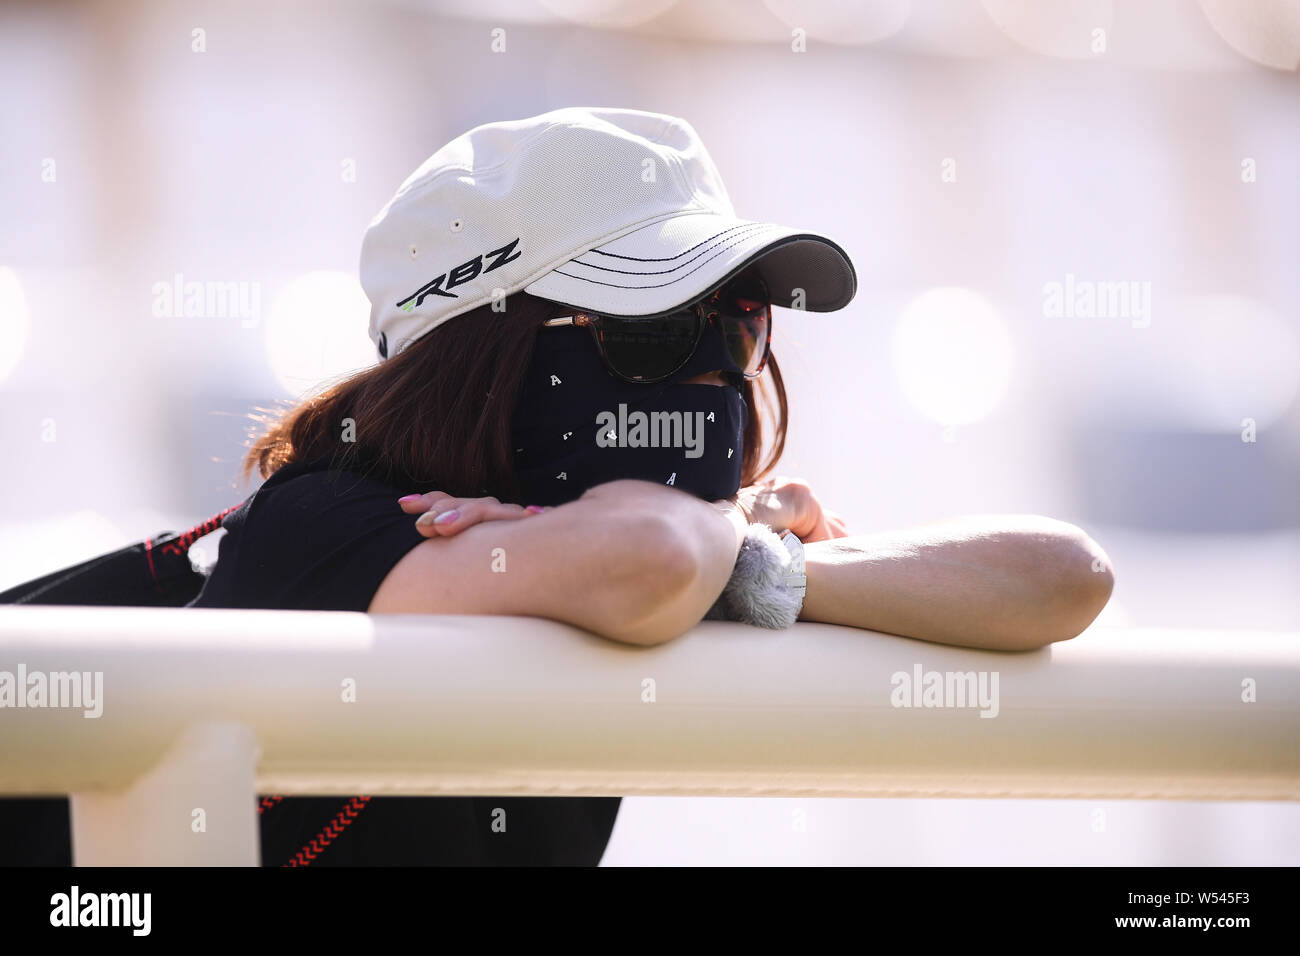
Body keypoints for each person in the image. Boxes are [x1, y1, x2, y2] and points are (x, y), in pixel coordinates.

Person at [188, 107, 1115, 866]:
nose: (718, 374)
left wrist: (765, 567)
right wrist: (726, 546)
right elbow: (655, 558)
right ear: (476, 353)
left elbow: (1064, 577)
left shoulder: (632, 545)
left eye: (737, 325)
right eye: (654, 330)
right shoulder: (324, 523)